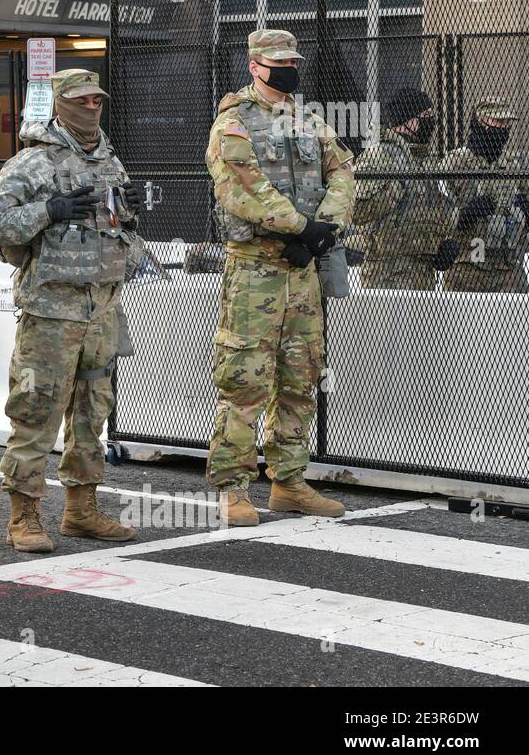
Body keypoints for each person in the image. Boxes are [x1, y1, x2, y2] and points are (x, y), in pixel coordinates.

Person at [0, 69, 142, 551]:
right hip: (51, 313)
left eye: (98, 100)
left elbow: (121, 228)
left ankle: (81, 510)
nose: (93, 107)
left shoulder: (110, 161)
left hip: (102, 310)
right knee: (36, 413)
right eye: (82, 100)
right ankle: (24, 516)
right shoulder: (32, 163)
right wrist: (47, 212)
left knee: (93, 413)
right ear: (61, 104)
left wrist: (130, 219)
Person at [206, 29, 355, 526]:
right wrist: (299, 226)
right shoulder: (234, 121)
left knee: (300, 376)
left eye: (293, 60)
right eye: (278, 61)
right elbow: (242, 187)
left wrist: (322, 231)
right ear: (255, 66)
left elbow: (343, 173)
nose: (288, 68)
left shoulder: (309, 120)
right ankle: (233, 489)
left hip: (304, 269)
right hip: (256, 271)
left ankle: (289, 482)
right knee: (245, 380)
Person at [354, 89, 448, 290]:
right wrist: (398, 186)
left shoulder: (423, 160)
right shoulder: (379, 156)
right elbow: (357, 212)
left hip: (423, 274)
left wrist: (442, 243)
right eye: (426, 116)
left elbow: (434, 209)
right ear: (409, 120)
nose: (432, 121)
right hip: (386, 275)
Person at [436, 97, 529, 293]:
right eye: (498, 122)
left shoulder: (512, 166)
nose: (504, 128)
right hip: (466, 271)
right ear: (481, 122)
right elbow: (436, 211)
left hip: (506, 272)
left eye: (506, 123)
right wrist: (464, 215)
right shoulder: (454, 163)